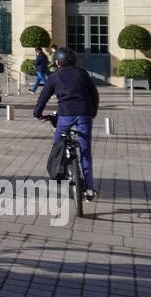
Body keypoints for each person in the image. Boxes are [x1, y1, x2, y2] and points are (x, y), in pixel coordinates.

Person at [33, 46, 101, 201]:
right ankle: (89, 188)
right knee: (85, 152)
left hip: (65, 115)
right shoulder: (82, 73)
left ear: (58, 62)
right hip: (84, 115)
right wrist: (92, 112)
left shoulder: (54, 76)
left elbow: (43, 97)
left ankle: (60, 173)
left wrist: (37, 113)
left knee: (58, 146)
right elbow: (94, 95)